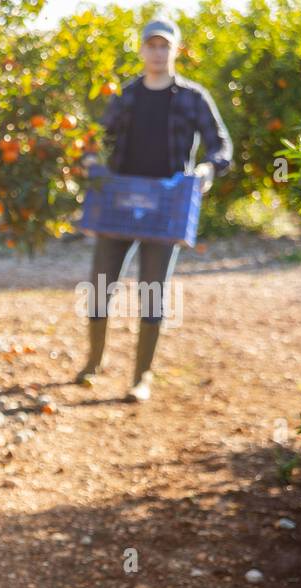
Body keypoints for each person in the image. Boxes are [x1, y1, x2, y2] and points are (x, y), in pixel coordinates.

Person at [77, 16, 232, 402]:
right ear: (143, 49)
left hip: (167, 205)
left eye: (165, 46)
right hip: (121, 202)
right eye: (152, 45)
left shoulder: (193, 98)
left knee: (152, 289)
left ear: (175, 50)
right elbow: (96, 138)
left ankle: (141, 377)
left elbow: (221, 145)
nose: (158, 52)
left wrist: (208, 169)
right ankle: (93, 362)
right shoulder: (127, 95)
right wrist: (89, 160)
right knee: (99, 285)